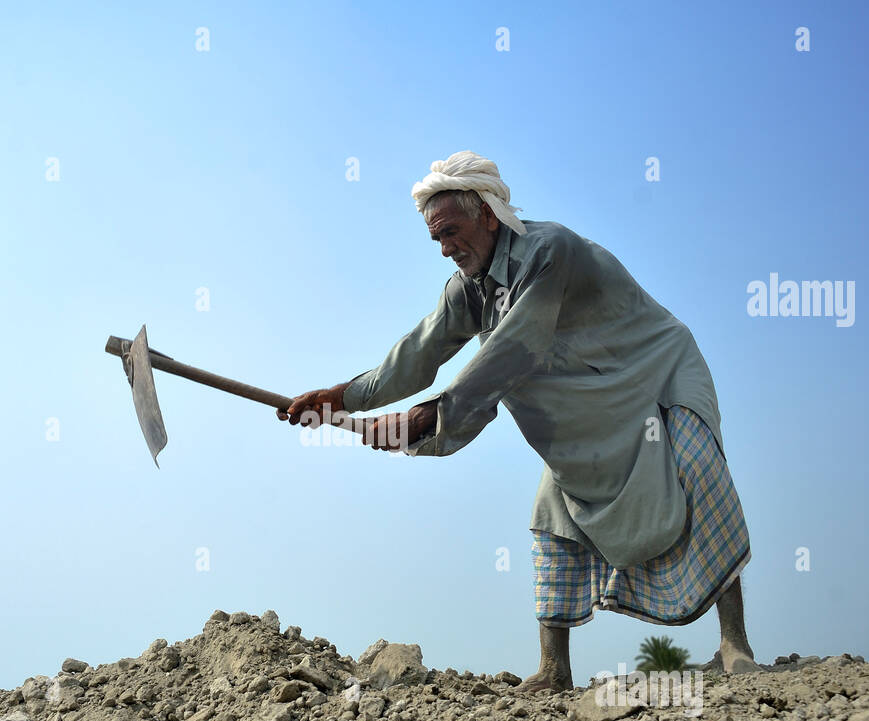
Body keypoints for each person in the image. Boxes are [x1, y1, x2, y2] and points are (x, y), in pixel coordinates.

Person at [278, 150, 757, 691]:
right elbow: (417, 354)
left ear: (488, 214)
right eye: (436, 239)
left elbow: (515, 348)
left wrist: (429, 417)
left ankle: (734, 641)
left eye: (452, 232)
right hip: (588, 409)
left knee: (695, 467)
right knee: (555, 510)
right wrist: (340, 398)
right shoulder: (468, 290)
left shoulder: (548, 250)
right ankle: (555, 669)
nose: (446, 249)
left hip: (654, 375)